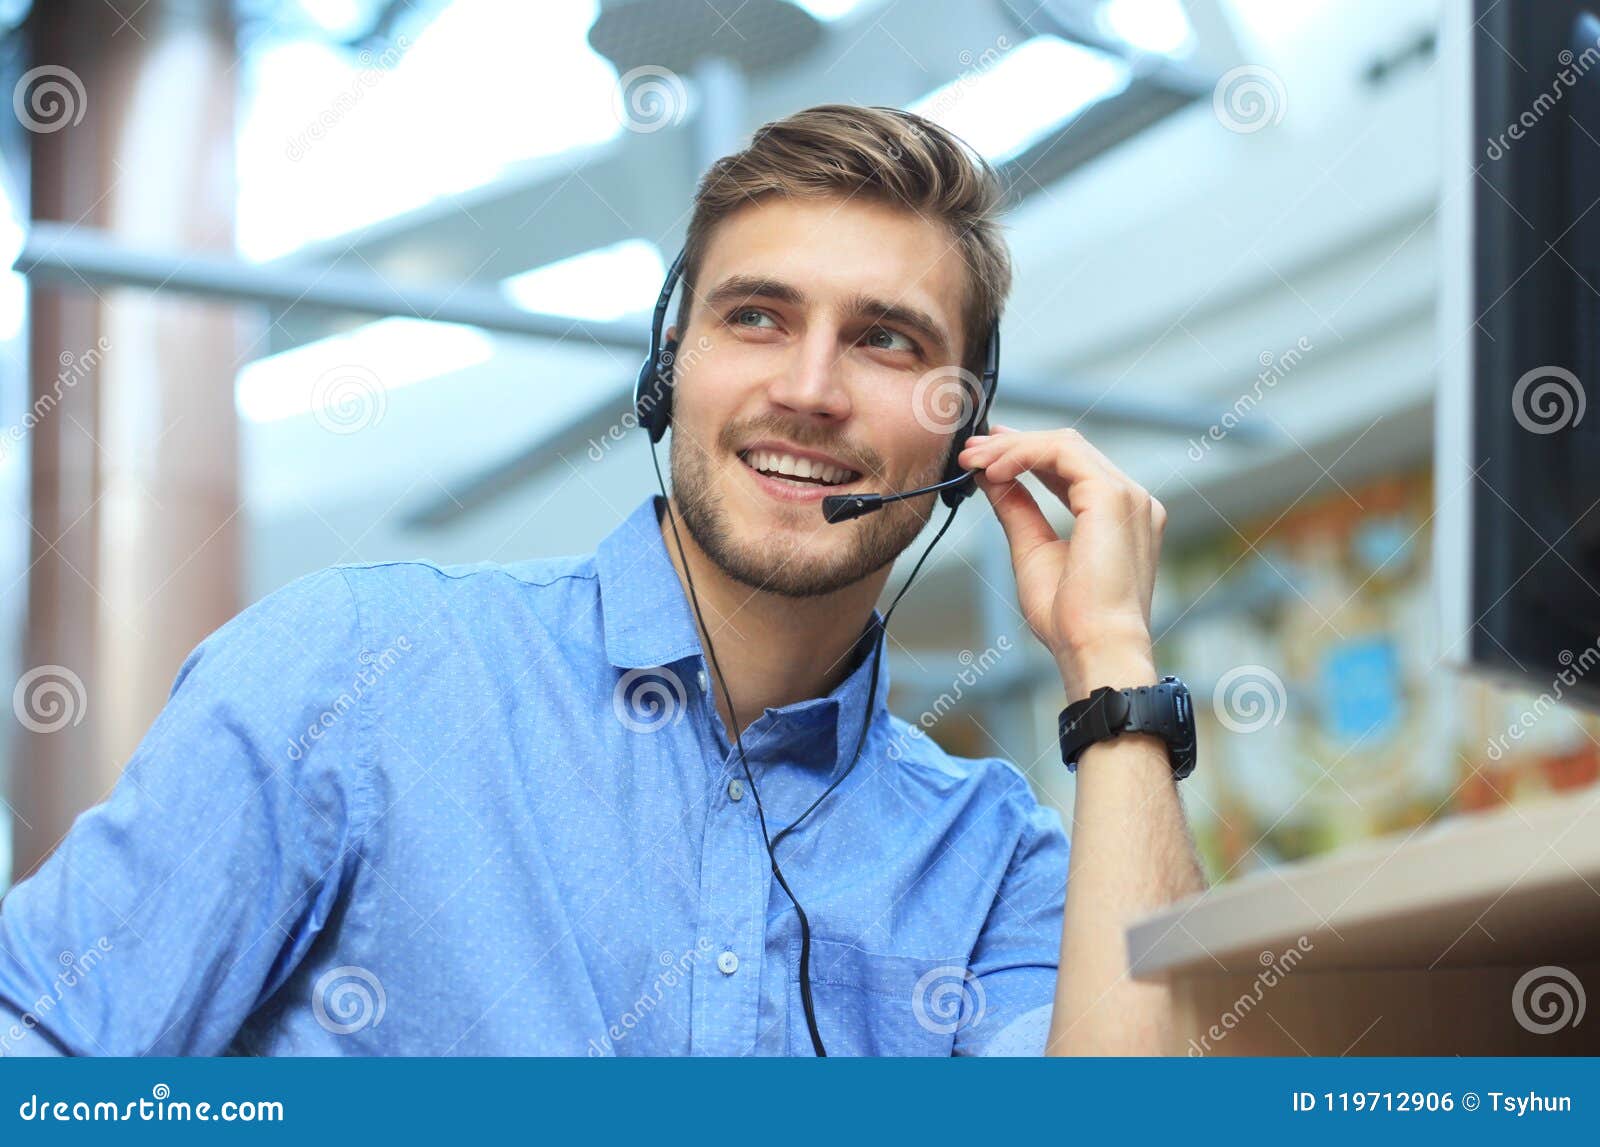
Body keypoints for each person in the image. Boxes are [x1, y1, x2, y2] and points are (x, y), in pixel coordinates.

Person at [0, 104, 1203, 1057]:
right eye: (757, 317)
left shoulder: (994, 861)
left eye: (885, 338)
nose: (812, 389)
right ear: (667, 368)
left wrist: (1112, 664)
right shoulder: (350, 670)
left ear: (963, 438)